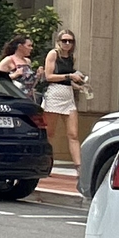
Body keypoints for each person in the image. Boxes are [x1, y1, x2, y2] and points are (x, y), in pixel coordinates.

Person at [42, 30, 89, 166]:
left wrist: (78, 85)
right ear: (59, 41)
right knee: (50, 132)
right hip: (54, 93)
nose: (67, 44)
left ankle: (79, 166)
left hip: (67, 94)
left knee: (73, 134)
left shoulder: (71, 57)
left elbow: (67, 79)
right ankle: (46, 161)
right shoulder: (53, 54)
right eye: (64, 41)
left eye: (70, 41)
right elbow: (49, 76)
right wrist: (69, 76)